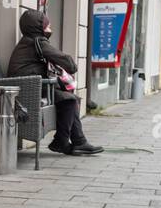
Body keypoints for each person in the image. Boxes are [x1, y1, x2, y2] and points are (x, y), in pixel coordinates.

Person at [7, 8, 103, 156]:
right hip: (28, 89)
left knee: (72, 99)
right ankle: (61, 142)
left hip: (29, 86)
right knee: (70, 100)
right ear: (38, 27)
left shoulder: (29, 42)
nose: (50, 29)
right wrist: (70, 66)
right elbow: (68, 63)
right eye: (47, 26)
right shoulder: (37, 41)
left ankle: (79, 142)